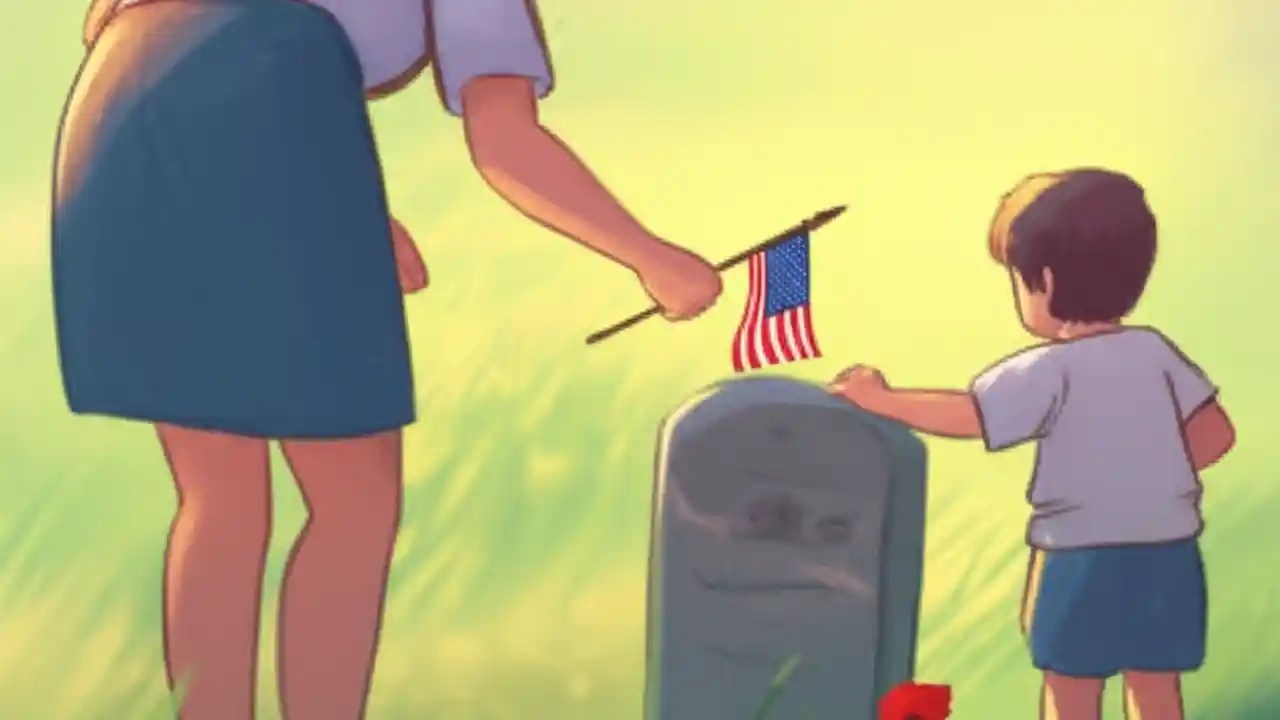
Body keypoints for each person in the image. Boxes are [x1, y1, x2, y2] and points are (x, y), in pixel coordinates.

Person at [53, 1, 722, 718]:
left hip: (119, 113)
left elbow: (155, 41)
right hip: (260, 105)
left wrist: (341, 201)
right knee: (354, 504)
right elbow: (505, 144)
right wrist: (651, 258)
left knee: (220, 500)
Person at [827, 169, 1236, 720]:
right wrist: (1144, 470)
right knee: (1157, 685)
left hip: (1079, 554)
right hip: (1168, 552)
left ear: (1043, 280)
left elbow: (972, 414)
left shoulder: (1048, 369)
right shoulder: (1155, 351)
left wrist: (881, 399)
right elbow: (1216, 434)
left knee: (1071, 687)